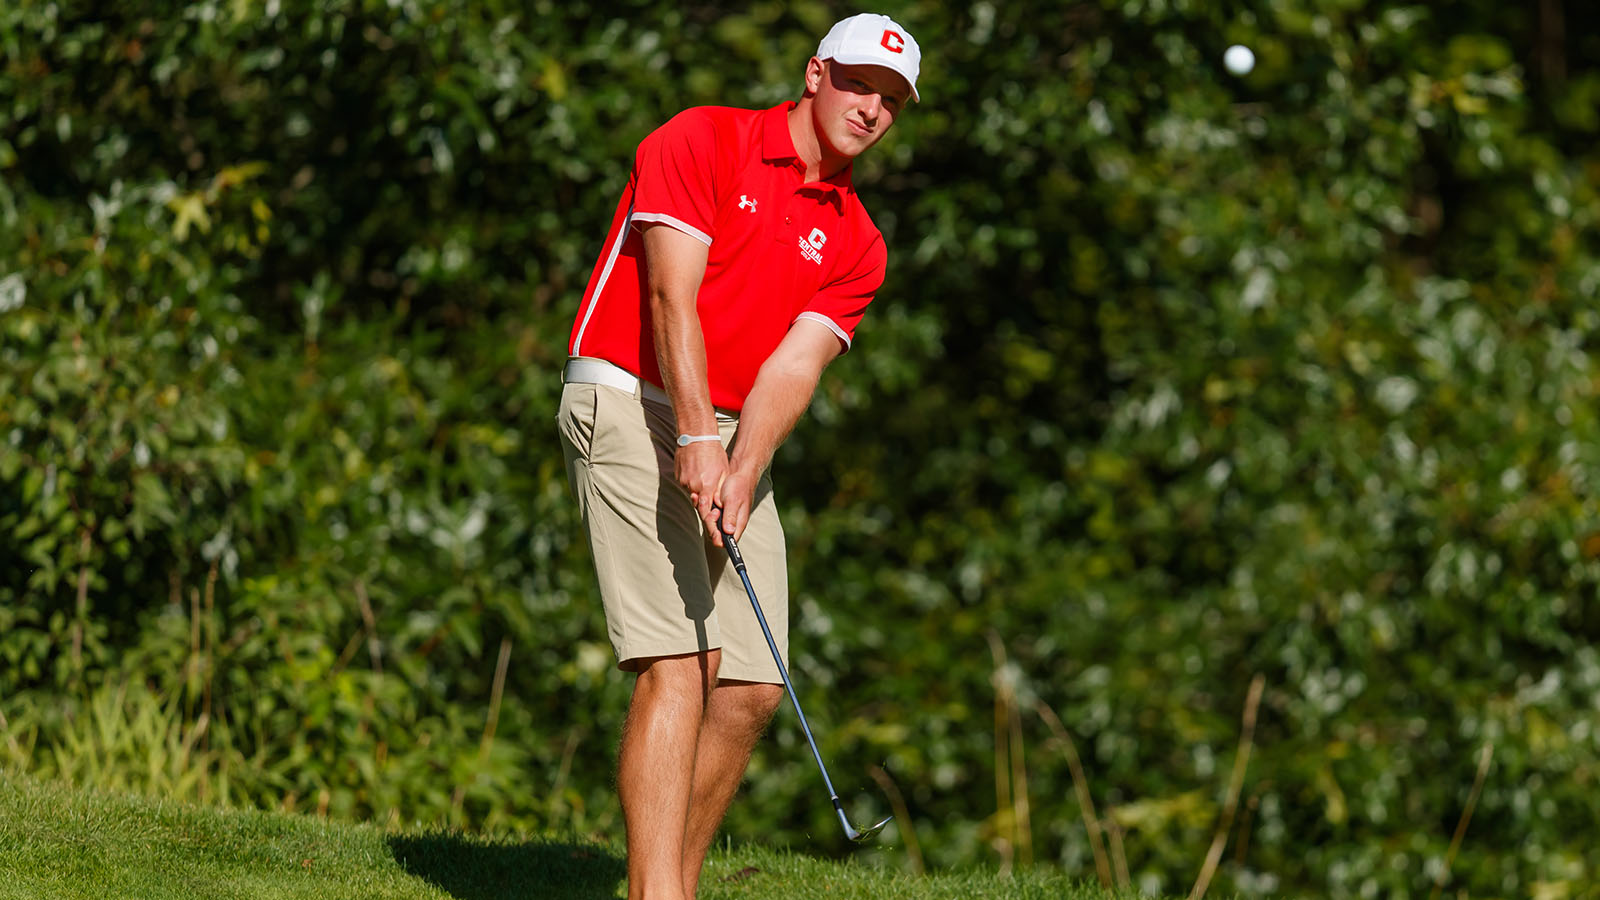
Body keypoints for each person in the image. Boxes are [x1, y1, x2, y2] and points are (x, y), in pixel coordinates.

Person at [556, 13, 921, 899]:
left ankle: (665, 883)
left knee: (753, 682)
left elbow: (793, 369)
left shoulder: (859, 243)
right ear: (814, 72)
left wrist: (741, 462)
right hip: (623, 395)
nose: (870, 109)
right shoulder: (703, 138)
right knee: (682, 663)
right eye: (859, 83)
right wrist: (694, 436)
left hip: (721, 428)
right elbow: (668, 299)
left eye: (891, 100)